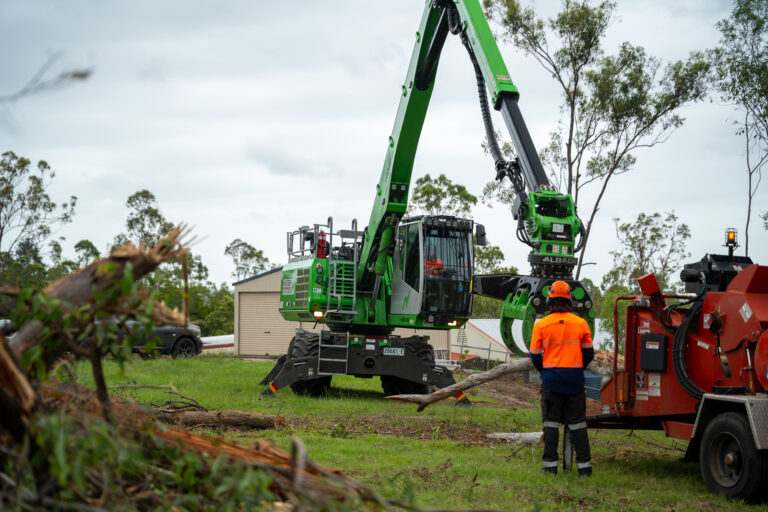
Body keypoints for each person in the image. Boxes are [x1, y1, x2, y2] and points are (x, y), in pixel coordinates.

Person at [529, 280, 594, 476]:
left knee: (551, 425)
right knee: (578, 426)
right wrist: (576, 367)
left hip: (552, 381)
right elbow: (589, 354)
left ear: (549, 300)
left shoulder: (541, 324)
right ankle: (584, 469)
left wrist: (545, 372)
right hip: (574, 381)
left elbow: (534, 354)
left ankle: (550, 468)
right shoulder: (581, 323)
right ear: (570, 301)